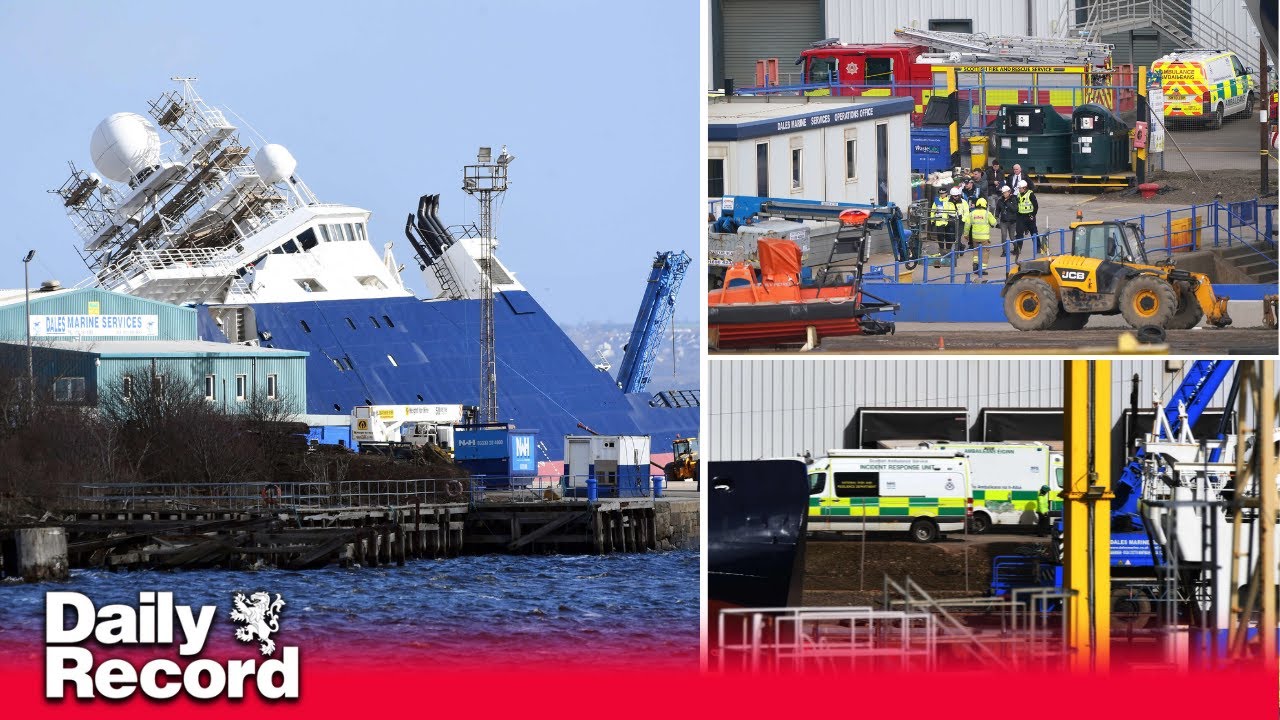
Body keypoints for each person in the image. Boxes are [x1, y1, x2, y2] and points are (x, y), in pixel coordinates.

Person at [964, 196, 997, 275]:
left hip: (975, 237)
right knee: (985, 253)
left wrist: (966, 234)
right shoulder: (987, 213)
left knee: (976, 251)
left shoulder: (972, 213)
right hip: (984, 238)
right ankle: (982, 270)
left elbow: (967, 225)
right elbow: (994, 223)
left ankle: (975, 264)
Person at [1014, 179, 1041, 259]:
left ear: (1024, 188)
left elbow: (1035, 206)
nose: (1019, 189)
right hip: (1021, 216)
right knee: (1019, 233)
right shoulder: (1018, 195)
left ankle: (1038, 247)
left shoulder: (1030, 194)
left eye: (1020, 188)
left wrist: (1033, 215)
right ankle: (1018, 249)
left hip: (1029, 216)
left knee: (1034, 232)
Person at [995, 185, 1018, 257]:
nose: (1004, 194)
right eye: (1003, 193)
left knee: (1012, 236)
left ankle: (1016, 249)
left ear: (1009, 192)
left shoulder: (1014, 199)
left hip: (1012, 221)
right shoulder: (1000, 200)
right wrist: (996, 216)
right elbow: (998, 209)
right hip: (1004, 221)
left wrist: (1008, 203)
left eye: (1005, 192)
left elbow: (1015, 209)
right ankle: (1004, 251)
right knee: (1004, 236)